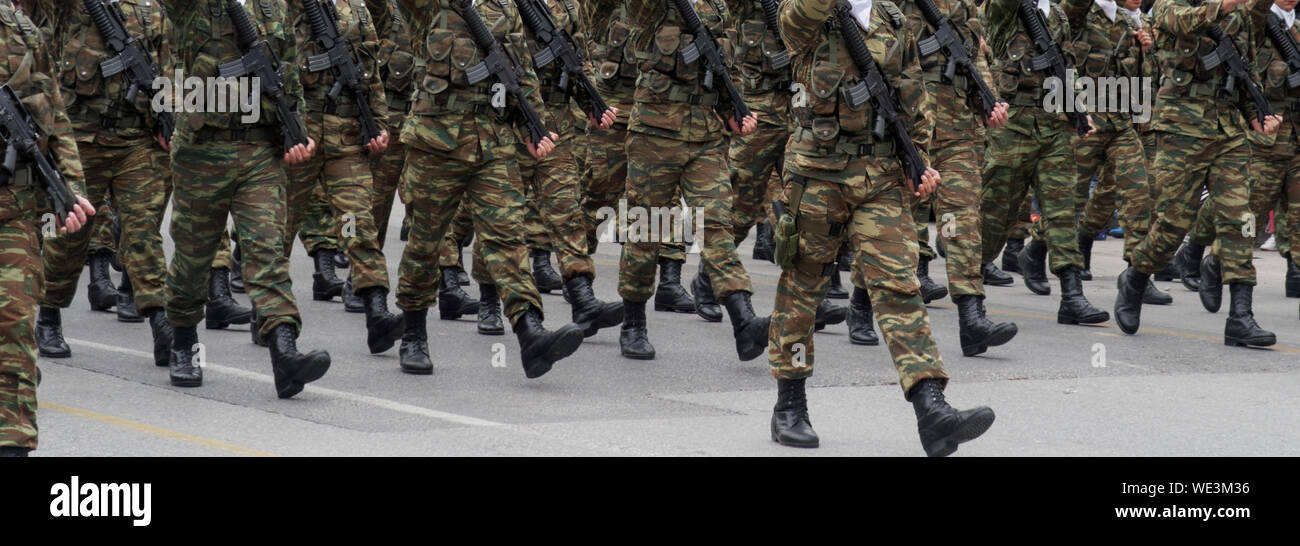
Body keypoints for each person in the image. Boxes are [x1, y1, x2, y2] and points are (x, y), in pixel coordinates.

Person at [770, 0, 995, 455]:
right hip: (817, 175)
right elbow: (794, 23)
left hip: (881, 176)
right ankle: (789, 404)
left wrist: (921, 162)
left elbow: (913, 97)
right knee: (802, 288)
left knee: (899, 286)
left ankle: (932, 407)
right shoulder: (807, 11)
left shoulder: (892, 18)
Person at [394, 0, 584, 378]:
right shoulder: (430, 7)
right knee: (426, 242)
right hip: (437, 143)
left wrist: (536, 125)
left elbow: (521, 70)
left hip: (493, 143)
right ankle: (413, 333)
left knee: (507, 238)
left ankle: (531, 334)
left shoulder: (505, 7)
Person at [160, 0, 331, 396]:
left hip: (260, 152)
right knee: (193, 256)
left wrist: (297, 130)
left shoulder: (273, 8)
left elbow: (287, 73)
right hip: (202, 153)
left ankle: (285, 353)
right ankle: (183, 342)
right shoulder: (192, 8)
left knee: (267, 253)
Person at [593, 0, 770, 362]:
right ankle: (633, 322)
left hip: (706, 136)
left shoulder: (717, 7)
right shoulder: (654, 8)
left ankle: (744, 319)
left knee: (717, 224)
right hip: (655, 135)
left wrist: (732, 110)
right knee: (646, 229)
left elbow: (721, 68)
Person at [1114, 0, 1282, 346]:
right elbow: (1186, 21)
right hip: (1180, 129)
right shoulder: (1169, 5)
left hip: (1228, 132)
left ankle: (1241, 317)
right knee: (1173, 223)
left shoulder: (1240, 16)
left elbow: (1243, 71)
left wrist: (1256, 113)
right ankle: (1136, 276)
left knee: (1241, 220)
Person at [281, 0, 405, 356]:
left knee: (358, 225)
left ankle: (377, 312)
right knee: (278, 233)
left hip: (346, 141)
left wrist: (378, 124)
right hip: (299, 137)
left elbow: (372, 74)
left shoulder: (359, 10)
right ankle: (274, 319)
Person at [0, 0, 97, 457]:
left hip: (13, 212)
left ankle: (14, 444)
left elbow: (56, 118)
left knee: (15, 324)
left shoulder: (23, 32)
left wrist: (70, 188)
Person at [899, 0, 1019, 356]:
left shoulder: (966, 5)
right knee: (895, 221)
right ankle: (861, 302)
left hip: (959, 132)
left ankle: (972, 318)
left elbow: (973, 55)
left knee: (961, 220)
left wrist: (990, 101)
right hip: (910, 130)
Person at [981, 0, 1111, 326]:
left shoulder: (1057, 15)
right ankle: (967, 269)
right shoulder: (1006, 10)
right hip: (1013, 125)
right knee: (996, 216)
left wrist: (1080, 110)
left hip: (1054, 125)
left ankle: (1072, 295)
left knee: (1062, 210)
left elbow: (1066, 68)